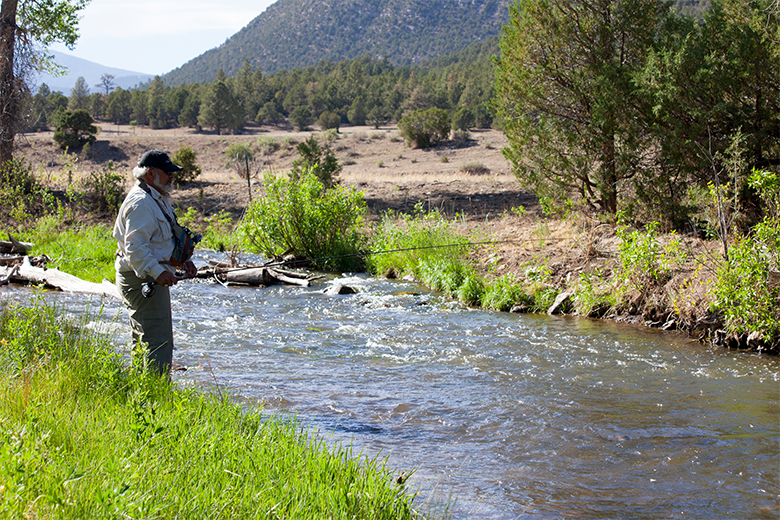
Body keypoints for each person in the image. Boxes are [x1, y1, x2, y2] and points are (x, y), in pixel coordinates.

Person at [113, 149, 198, 375]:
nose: (172, 176)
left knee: (145, 335)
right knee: (158, 338)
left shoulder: (156, 197)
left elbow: (161, 240)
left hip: (148, 274)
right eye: (167, 172)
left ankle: (141, 386)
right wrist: (158, 273)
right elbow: (135, 248)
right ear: (150, 173)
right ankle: (156, 393)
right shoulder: (141, 203)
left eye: (172, 172)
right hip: (142, 277)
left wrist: (183, 261)